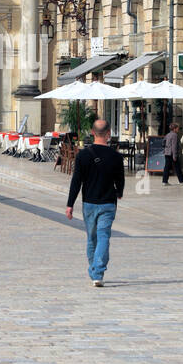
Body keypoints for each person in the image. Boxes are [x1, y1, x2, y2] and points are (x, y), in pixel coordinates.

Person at [65, 118, 125, 287]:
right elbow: (120, 180)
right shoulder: (116, 156)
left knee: (92, 239)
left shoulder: (83, 155)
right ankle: (97, 272)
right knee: (104, 236)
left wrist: (70, 205)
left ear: (92, 133)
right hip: (108, 203)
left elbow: (76, 181)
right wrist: (119, 192)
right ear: (109, 134)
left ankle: (95, 272)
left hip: (89, 203)